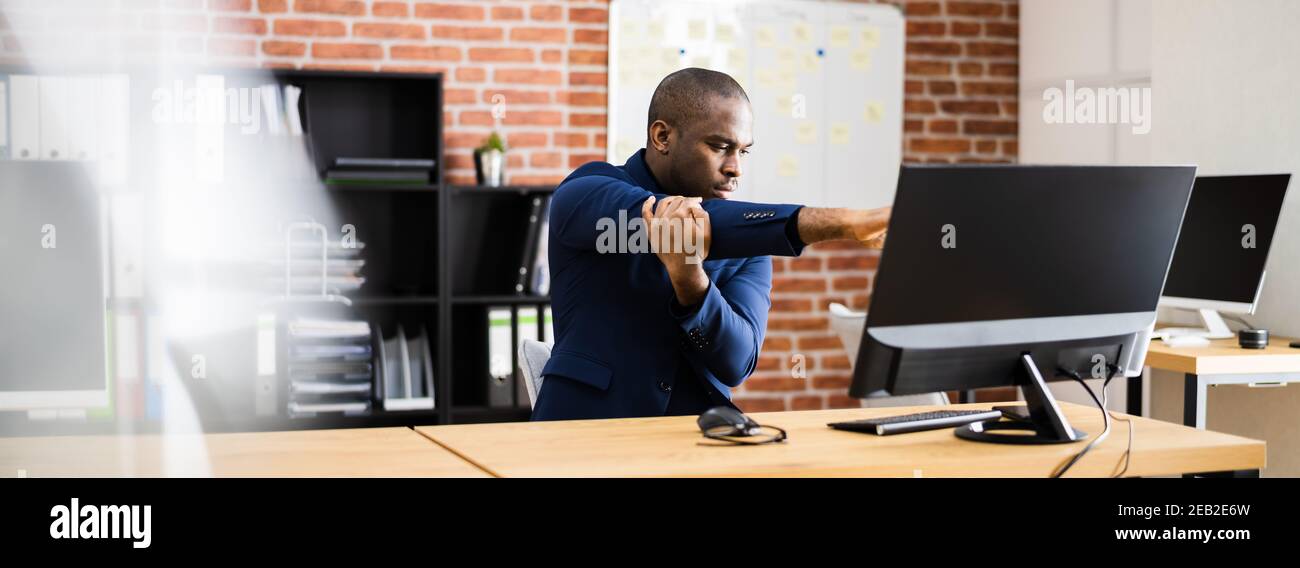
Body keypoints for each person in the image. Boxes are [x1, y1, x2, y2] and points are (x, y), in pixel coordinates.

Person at [532, 67, 890, 421]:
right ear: (662, 136)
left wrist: (693, 286)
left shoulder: (748, 244)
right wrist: (842, 223)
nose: (736, 168)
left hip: (697, 441)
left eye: (743, 151)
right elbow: (678, 223)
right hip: (586, 435)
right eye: (720, 147)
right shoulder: (587, 193)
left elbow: (736, 364)